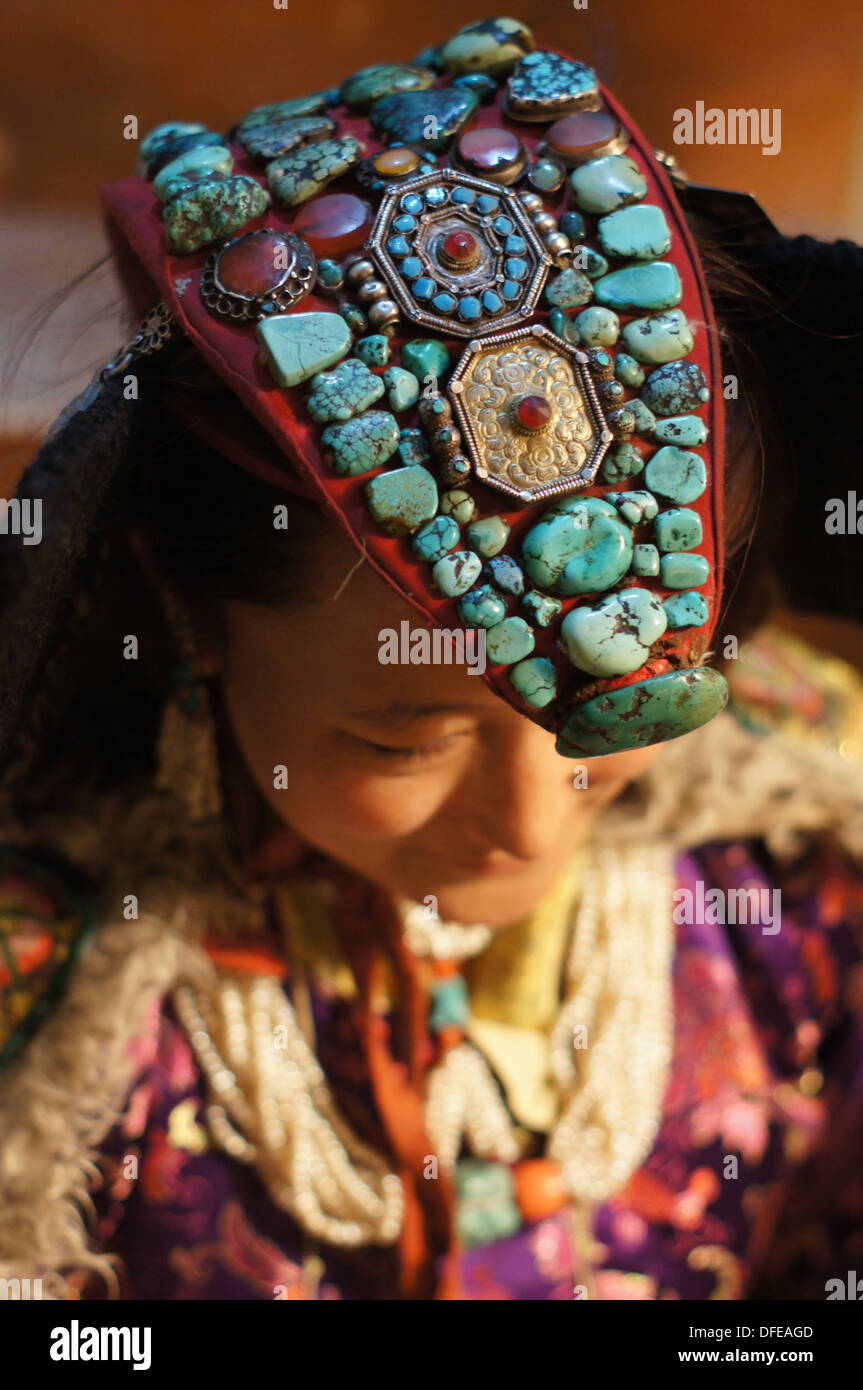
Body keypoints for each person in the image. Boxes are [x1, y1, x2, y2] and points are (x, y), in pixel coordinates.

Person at [0, 17, 862, 1302]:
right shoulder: (55, 1048)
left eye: (619, 709)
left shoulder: (802, 896)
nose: (528, 821)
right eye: (406, 737)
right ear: (189, 611)